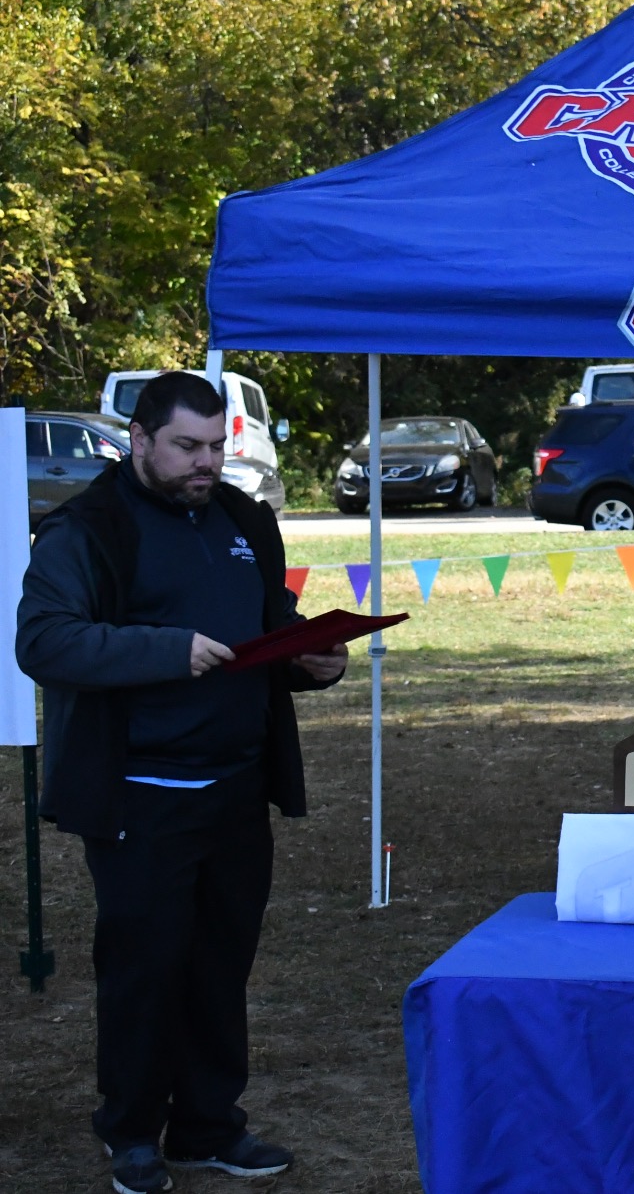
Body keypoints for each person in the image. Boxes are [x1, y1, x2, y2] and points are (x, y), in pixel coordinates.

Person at [16, 370, 348, 1194]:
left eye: (216, 446)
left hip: (236, 787)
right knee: (144, 966)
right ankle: (130, 1131)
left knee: (219, 964)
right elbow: (45, 642)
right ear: (139, 440)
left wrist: (314, 657)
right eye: (187, 447)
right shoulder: (87, 527)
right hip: (139, 792)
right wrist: (164, 649)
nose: (206, 463)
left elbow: (266, 623)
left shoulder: (243, 518)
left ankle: (208, 1123)